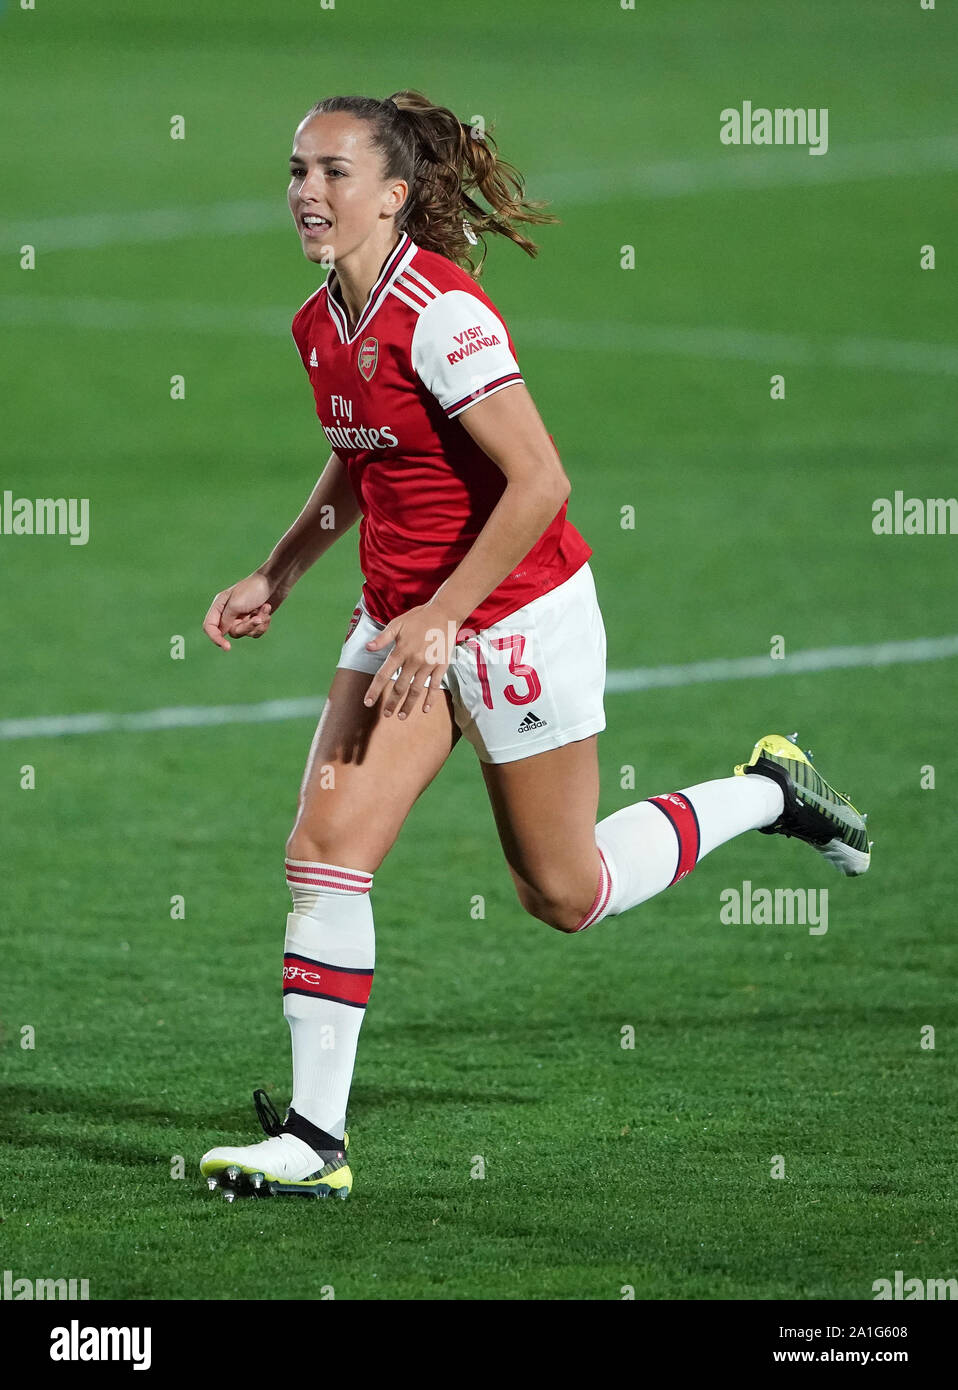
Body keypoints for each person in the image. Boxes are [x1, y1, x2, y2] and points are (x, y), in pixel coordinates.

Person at [199, 91, 871, 1201]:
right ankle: (316, 1142)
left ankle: (772, 791)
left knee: (564, 891)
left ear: (394, 195)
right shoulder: (320, 322)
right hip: (405, 623)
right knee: (323, 851)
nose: (306, 193)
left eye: (332, 173)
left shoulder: (445, 315)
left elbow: (539, 481)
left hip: (516, 619)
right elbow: (361, 463)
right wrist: (277, 570)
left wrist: (448, 616)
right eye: (295, 171)